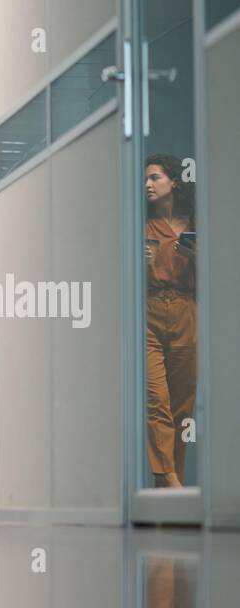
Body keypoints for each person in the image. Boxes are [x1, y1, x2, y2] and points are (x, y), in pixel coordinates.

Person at [143, 154, 197, 488]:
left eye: (155, 178)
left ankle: (167, 490)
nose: (148, 185)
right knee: (155, 400)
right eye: (146, 180)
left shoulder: (194, 223)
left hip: (186, 311)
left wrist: (199, 256)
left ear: (173, 181)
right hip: (148, 312)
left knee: (182, 406)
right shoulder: (142, 225)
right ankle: (171, 481)